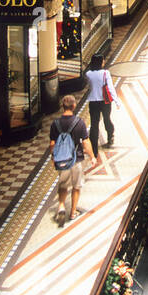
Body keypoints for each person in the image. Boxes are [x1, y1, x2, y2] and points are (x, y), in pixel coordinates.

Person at [49, 94, 94, 226]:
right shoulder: (79, 122)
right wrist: (92, 156)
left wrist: (53, 157)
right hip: (76, 159)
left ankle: (61, 205)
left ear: (62, 106)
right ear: (74, 106)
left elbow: (52, 143)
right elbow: (86, 142)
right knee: (76, 186)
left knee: (63, 185)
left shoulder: (55, 124)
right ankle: (73, 212)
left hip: (62, 160)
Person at [85, 53, 117, 160]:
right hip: (105, 101)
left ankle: (94, 149)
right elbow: (111, 87)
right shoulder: (105, 73)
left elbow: (89, 86)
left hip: (93, 101)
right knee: (107, 119)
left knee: (94, 124)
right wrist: (116, 100)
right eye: (103, 60)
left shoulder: (88, 74)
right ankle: (110, 137)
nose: (104, 62)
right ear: (100, 62)